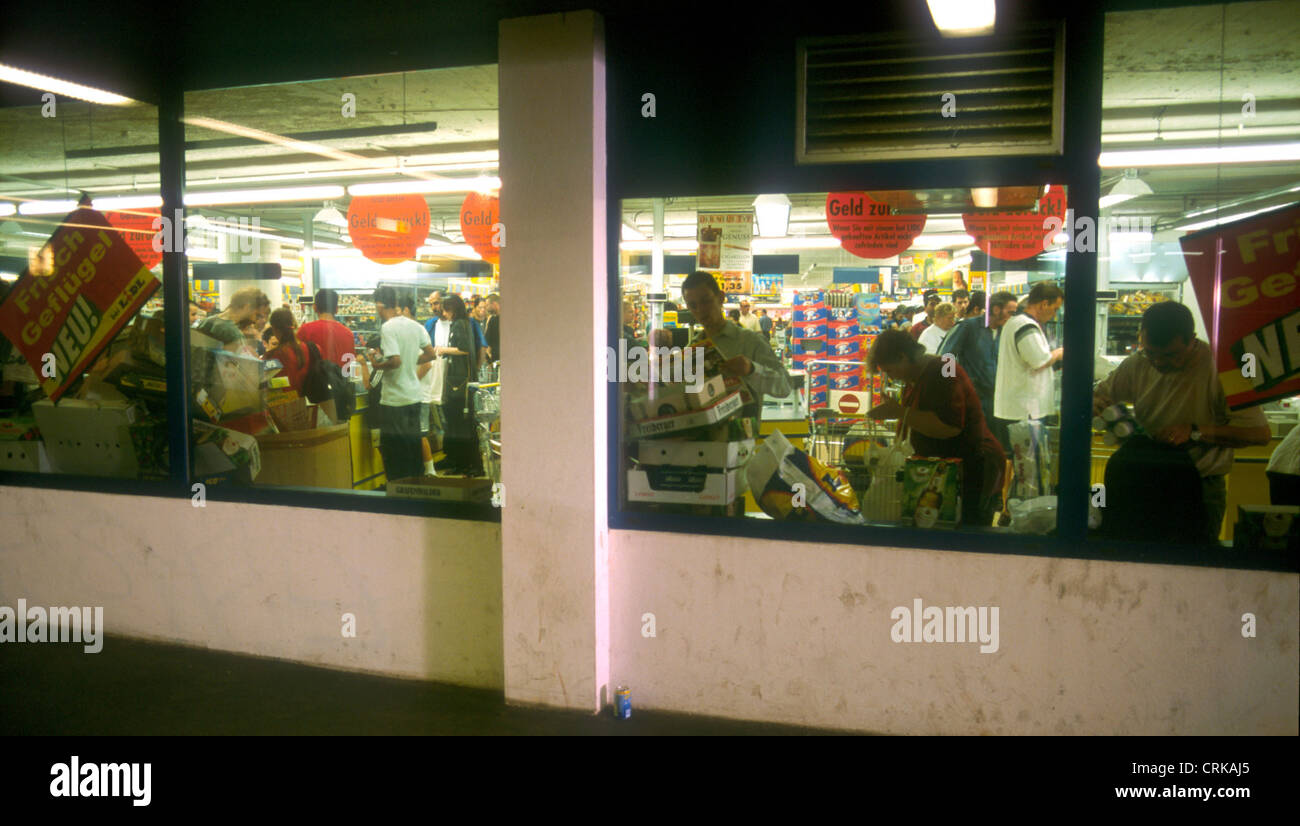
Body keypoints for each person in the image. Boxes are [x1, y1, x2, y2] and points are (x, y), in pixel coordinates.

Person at [1093, 301, 1270, 543]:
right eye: (1151, 353)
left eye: (1171, 355)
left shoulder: (1224, 368)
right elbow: (1098, 395)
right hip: (1142, 482)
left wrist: (1196, 432)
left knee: (1193, 566)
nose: (1158, 363)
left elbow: (1259, 434)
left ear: (1192, 340)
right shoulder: (1139, 362)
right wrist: (1095, 404)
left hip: (1200, 487)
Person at [867, 329, 1005, 527]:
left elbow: (949, 426)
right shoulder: (913, 379)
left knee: (965, 538)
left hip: (972, 469)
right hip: (941, 473)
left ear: (903, 357)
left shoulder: (945, 369)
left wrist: (899, 412)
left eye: (890, 370)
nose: (892, 377)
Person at [680, 271, 792, 431]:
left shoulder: (750, 341)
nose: (700, 310)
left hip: (740, 445)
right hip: (700, 444)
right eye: (693, 305)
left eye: (705, 301)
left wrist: (752, 369)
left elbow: (785, 386)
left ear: (720, 298)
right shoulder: (692, 348)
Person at [365, 285, 437, 483]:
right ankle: (416, 489)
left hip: (394, 401)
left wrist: (376, 363)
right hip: (414, 397)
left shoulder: (388, 327)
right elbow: (431, 354)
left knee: (395, 455)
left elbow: (395, 361)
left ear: (380, 305)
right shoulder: (416, 326)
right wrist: (411, 359)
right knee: (413, 449)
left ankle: (398, 494)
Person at [941, 291, 1017, 451]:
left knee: (998, 448)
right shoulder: (968, 327)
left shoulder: (1008, 332)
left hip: (1000, 402)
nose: (1012, 317)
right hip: (975, 399)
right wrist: (950, 385)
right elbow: (946, 355)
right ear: (996, 309)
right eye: (1010, 312)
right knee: (975, 446)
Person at [994, 283, 1064, 427]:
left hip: (1023, 408)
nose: (1055, 314)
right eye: (1054, 309)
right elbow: (1039, 360)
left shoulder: (1019, 323)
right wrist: (1058, 353)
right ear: (1044, 304)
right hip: (1024, 410)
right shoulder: (1024, 325)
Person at [436, 293, 483, 476]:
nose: (444, 314)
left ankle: (468, 464)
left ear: (452, 309)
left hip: (460, 385)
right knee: (460, 425)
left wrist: (443, 350)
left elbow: (463, 349)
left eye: (446, 310)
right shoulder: (464, 323)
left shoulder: (460, 324)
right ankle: (463, 463)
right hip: (460, 383)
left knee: (461, 425)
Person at [196, 287, 269, 353]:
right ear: (247, 307)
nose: (255, 321)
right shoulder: (232, 333)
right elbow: (240, 364)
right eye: (257, 315)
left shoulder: (206, 322)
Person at [297, 288, 356, 369]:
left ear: (315, 307)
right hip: (341, 380)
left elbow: (298, 361)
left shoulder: (305, 330)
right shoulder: (348, 334)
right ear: (336, 309)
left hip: (314, 381)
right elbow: (350, 367)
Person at [262, 308, 310, 394]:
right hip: (307, 403)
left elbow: (266, 385)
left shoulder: (271, 356)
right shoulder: (311, 349)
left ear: (274, 329)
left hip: (281, 404)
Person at [484, 292, 500, 363]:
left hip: (496, 360)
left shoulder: (492, 320)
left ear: (494, 304)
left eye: (487, 305)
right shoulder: (492, 320)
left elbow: (487, 342)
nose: (486, 308)